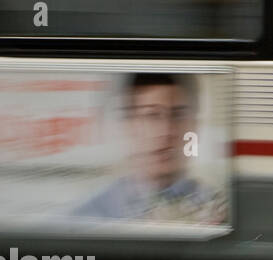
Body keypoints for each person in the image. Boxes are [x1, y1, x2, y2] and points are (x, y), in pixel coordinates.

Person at [73, 73, 227, 225]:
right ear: (127, 125)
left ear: (195, 125)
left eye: (179, 115)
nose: (166, 131)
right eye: (152, 115)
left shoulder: (222, 209)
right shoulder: (87, 217)